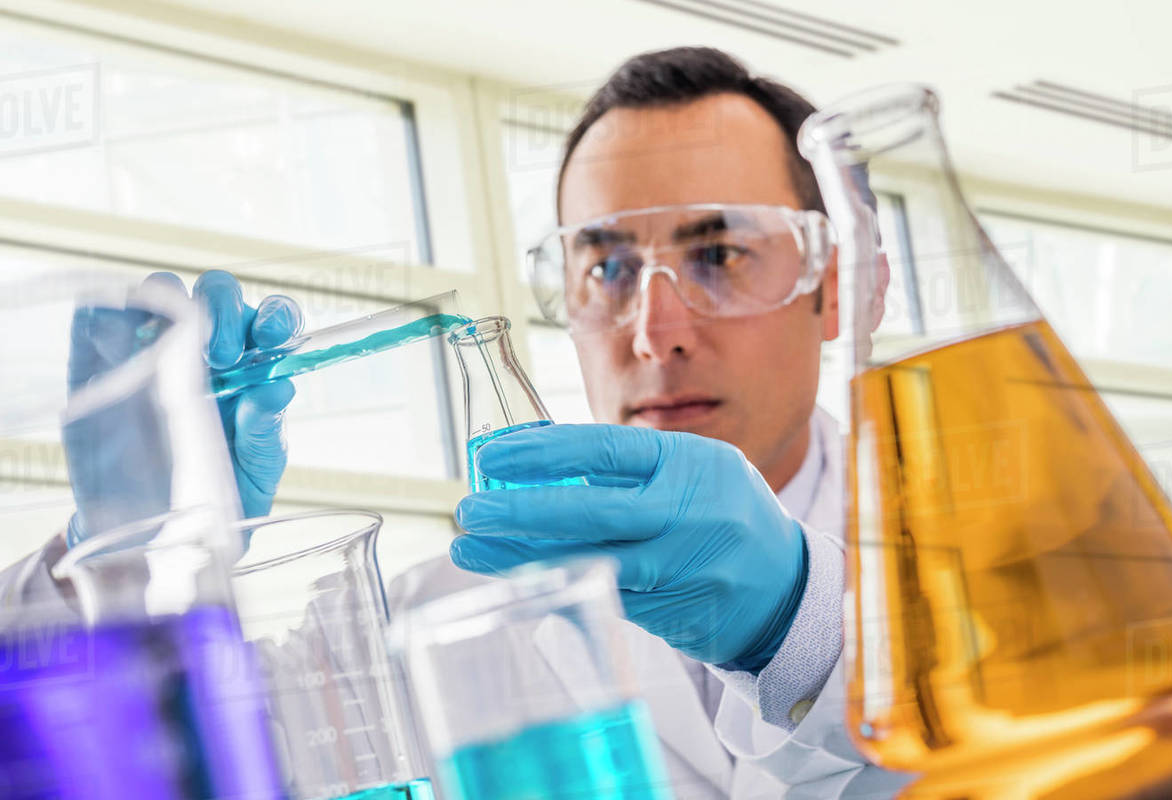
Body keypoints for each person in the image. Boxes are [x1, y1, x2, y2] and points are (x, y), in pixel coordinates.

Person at [2, 47, 904, 798]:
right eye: (607, 269)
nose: (653, 332)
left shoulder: (1012, 542)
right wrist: (129, 570)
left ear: (839, 291)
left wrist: (805, 618)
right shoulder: (432, 613)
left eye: (720, 255)